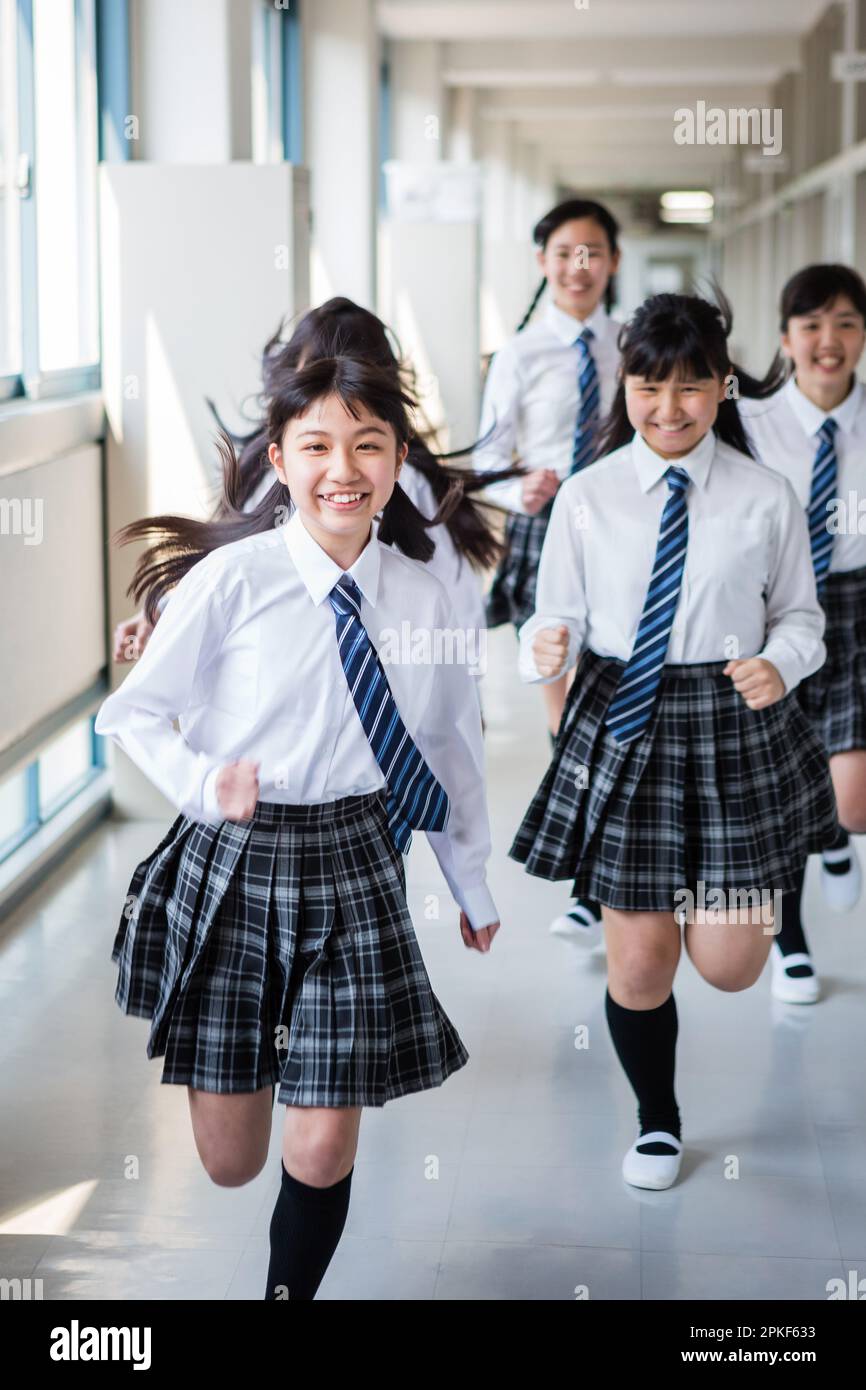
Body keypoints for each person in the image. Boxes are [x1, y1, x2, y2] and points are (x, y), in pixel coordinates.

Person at [95, 357, 501, 1297]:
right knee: (231, 1161)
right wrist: (204, 784)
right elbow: (131, 714)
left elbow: (446, 746)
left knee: (319, 1146)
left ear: (400, 458)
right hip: (234, 859)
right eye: (316, 446)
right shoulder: (234, 580)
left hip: (357, 863)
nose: (342, 468)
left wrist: (467, 880)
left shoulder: (425, 595)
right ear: (279, 459)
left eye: (368, 445)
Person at [508, 292, 839, 1190]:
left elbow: (803, 619)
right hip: (628, 711)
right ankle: (659, 1120)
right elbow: (556, 613)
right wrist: (545, 644)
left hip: (733, 714)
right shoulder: (587, 493)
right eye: (651, 388)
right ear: (628, 385)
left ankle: (765, 869)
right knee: (644, 962)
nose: (668, 408)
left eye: (691, 388)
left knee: (731, 966)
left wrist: (781, 662)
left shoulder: (766, 495)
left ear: (724, 387)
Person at [113, 298, 519, 680]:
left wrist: (460, 692)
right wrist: (167, 612)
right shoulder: (271, 466)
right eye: (320, 371)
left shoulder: (397, 477)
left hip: (383, 674)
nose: (334, 385)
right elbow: (239, 560)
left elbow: (449, 591)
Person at [472, 198, 622, 946]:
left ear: (613, 263)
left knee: (619, 716)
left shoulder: (632, 346)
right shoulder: (519, 355)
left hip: (628, 541)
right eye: (565, 252)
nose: (579, 266)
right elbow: (488, 462)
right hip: (551, 536)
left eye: (593, 251)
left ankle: (601, 891)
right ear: (543, 262)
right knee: (571, 729)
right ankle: (590, 886)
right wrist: (516, 486)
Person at [740, 264, 866, 1004]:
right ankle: (791, 941)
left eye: (846, 323)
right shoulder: (752, 424)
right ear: (786, 338)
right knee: (784, 786)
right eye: (812, 325)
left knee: (850, 800)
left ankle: (837, 838)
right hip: (775, 609)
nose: (829, 341)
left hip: (855, 606)